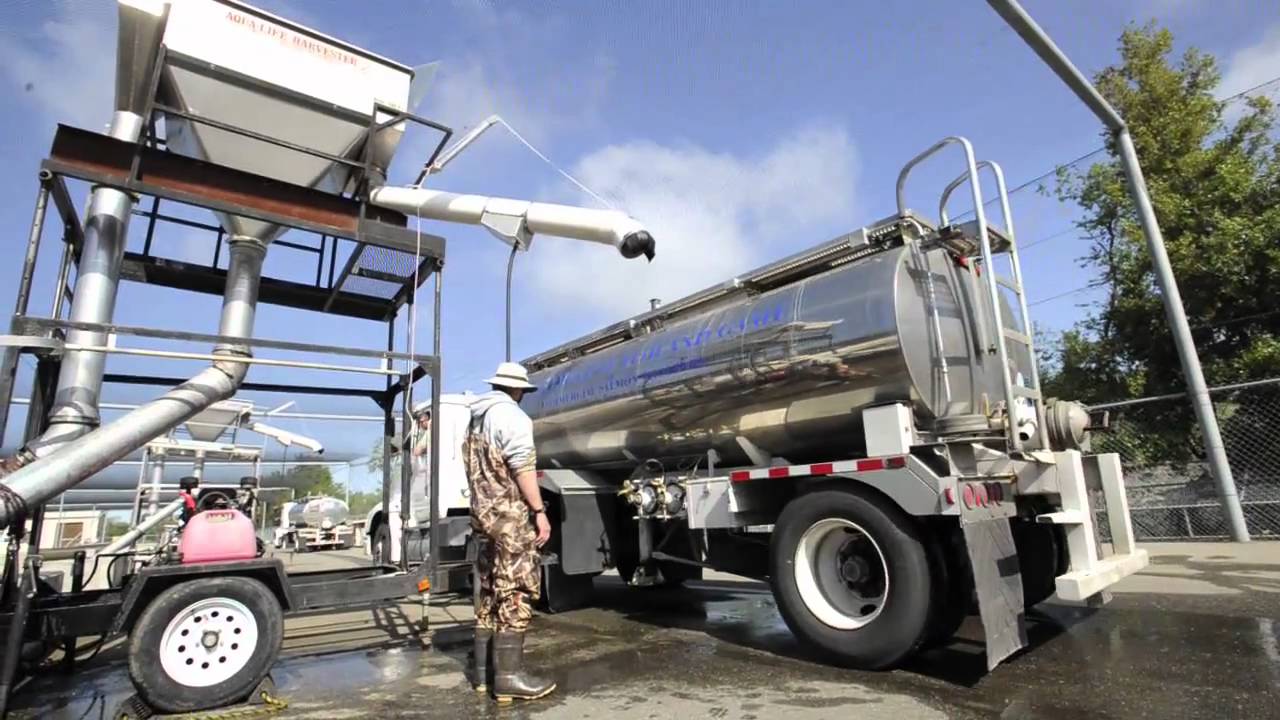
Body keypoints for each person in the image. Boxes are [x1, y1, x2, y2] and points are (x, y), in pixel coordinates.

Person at [464, 362, 555, 703]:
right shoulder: (514, 418)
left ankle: (483, 675)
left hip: (482, 517)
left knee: (489, 589)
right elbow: (523, 468)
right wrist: (539, 511)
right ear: (517, 389)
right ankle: (508, 678)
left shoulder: (475, 419)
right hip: (509, 519)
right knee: (516, 589)